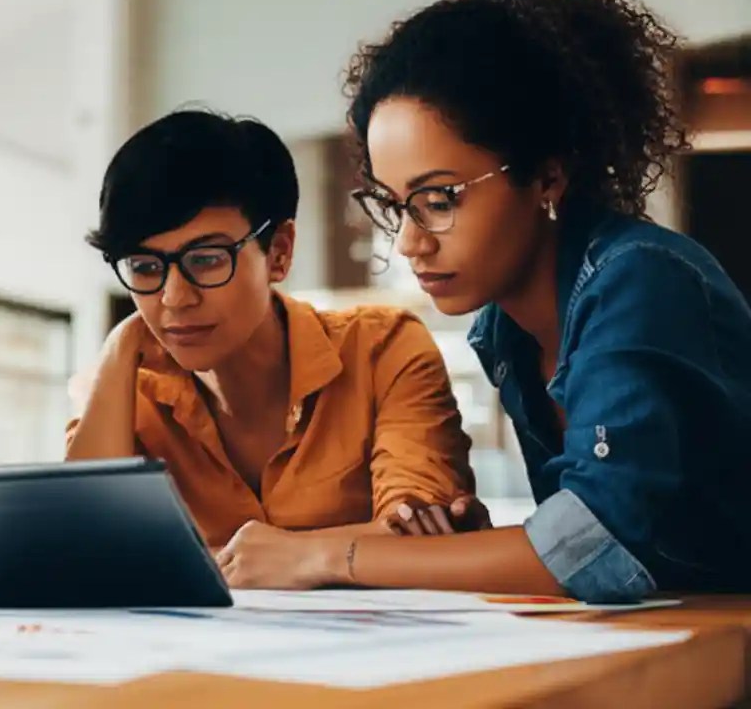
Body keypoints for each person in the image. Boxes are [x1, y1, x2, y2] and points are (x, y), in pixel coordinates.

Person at [219, 0, 751, 601]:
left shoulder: (639, 279)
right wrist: (458, 546)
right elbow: (603, 546)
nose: (410, 243)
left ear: (547, 176)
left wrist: (322, 555)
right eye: (394, 206)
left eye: (439, 200)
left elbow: (594, 549)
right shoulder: (503, 330)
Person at [67, 109, 482, 589]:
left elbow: (422, 537)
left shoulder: (382, 350)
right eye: (143, 267)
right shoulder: (128, 394)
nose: (174, 298)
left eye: (206, 260)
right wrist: (120, 346)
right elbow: (79, 551)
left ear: (279, 252)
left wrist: (291, 555)